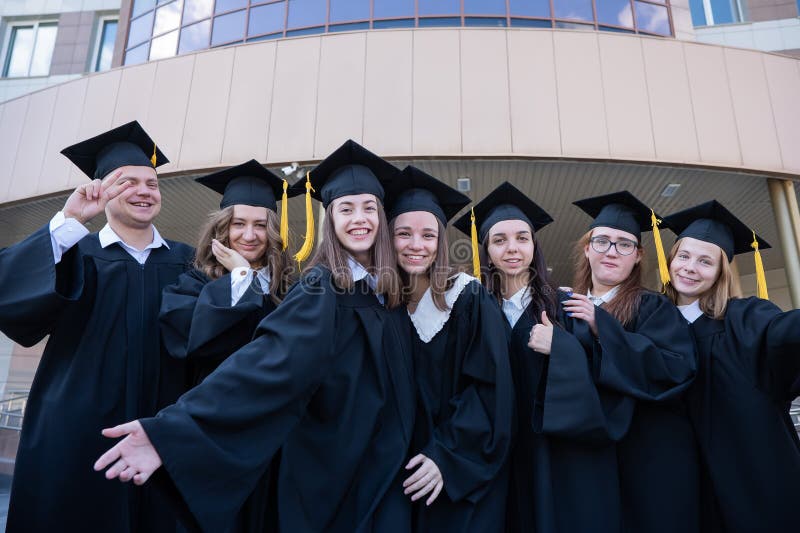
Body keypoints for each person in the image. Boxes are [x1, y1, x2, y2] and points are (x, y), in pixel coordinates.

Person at [94, 139, 416, 533]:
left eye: (369, 208)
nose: (359, 218)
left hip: (357, 462)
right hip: (299, 461)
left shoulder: (375, 292)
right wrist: (172, 431)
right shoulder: (319, 287)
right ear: (329, 219)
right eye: (345, 209)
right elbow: (267, 360)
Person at [0, 121, 194, 532]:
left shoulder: (188, 263)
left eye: (152, 184)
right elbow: (9, 297)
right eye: (128, 182)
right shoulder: (73, 251)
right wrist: (70, 220)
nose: (144, 191)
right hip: (77, 432)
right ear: (101, 191)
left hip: (163, 434)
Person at [455, 181, 625, 533]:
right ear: (485, 249)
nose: (512, 248)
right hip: (493, 456)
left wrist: (562, 348)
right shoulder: (470, 311)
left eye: (522, 237)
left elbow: (606, 379)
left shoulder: (567, 308)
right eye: (499, 240)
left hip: (553, 457)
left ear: (535, 245)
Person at [158, 159, 298, 532]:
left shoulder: (290, 291)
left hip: (275, 439)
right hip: (213, 432)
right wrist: (240, 277)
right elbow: (188, 341)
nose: (249, 235)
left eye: (259, 225)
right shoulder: (191, 283)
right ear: (222, 229)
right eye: (238, 224)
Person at [560, 191, 698, 533]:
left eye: (624, 244)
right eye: (602, 241)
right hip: (584, 455)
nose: (611, 251)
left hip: (646, 459)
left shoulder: (654, 307)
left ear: (638, 256)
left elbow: (674, 369)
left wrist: (601, 326)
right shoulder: (563, 307)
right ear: (587, 248)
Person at [385, 167, 514, 532]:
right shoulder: (382, 305)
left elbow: (491, 390)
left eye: (428, 235)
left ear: (441, 242)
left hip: (457, 473)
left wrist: (447, 455)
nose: (416, 245)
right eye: (403, 233)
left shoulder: (468, 297)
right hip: (394, 473)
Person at [662, 200, 800, 533]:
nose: (690, 268)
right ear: (670, 260)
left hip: (750, 469)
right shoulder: (652, 320)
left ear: (722, 272)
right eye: (684, 256)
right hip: (680, 476)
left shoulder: (744, 317)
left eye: (705, 261)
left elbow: (782, 335)